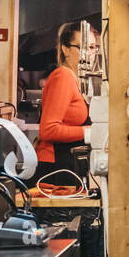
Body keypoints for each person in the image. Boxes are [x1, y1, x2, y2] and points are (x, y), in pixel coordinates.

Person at [36, 21, 96, 167]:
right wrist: (89, 131)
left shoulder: (78, 79)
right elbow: (48, 131)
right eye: (81, 47)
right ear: (65, 49)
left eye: (92, 47)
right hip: (54, 164)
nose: (88, 53)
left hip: (69, 160)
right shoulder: (62, 77)